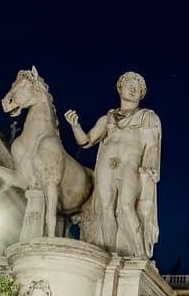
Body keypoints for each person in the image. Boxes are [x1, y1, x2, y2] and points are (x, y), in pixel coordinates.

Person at [65, 72, 161, 258]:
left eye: (137, 88)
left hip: (130, 163)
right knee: (106, 207)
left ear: (141, 94)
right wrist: (75, 126)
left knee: (126, 206)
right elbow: (86, 141)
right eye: (129, 85)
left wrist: (149, 166)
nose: (133, 89)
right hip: (106, 164)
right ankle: (109, 255)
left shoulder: (147, 117)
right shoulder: (107, 119)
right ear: (120, 89)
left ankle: (140, 255)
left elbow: (152, 146)